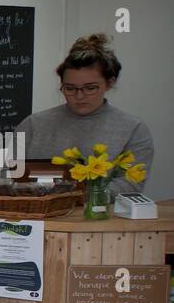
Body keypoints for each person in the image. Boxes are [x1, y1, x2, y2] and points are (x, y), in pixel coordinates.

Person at [16, 33, 154, 193]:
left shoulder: (133, 129)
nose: (79, 96)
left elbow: (131, 183)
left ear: (110, 83)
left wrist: (83, 196)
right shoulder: (33, 125)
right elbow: (10, 176)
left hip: (101, 215)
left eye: (90, 88)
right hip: (41, 213)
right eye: (70, 88)